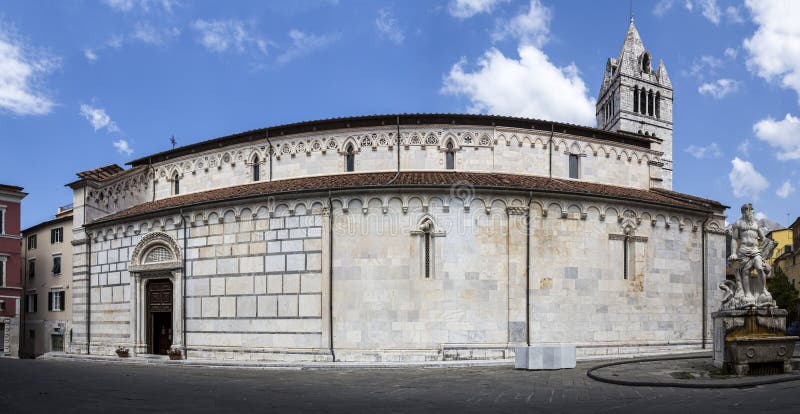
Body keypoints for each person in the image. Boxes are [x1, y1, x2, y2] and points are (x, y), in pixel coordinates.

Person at [728, 203, 773, 306]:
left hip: (755, 250)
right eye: (748, 211)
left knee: (760, 268)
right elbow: (734, 239)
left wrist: (769, 246)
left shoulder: (756, 224)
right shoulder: (738, 224)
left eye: (752, 211)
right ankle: (747, 293)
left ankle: (763, 290)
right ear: (744, 212)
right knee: (746, 272)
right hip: (744, 250)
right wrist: (733, 253)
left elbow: (764, 239)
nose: (751, 213)